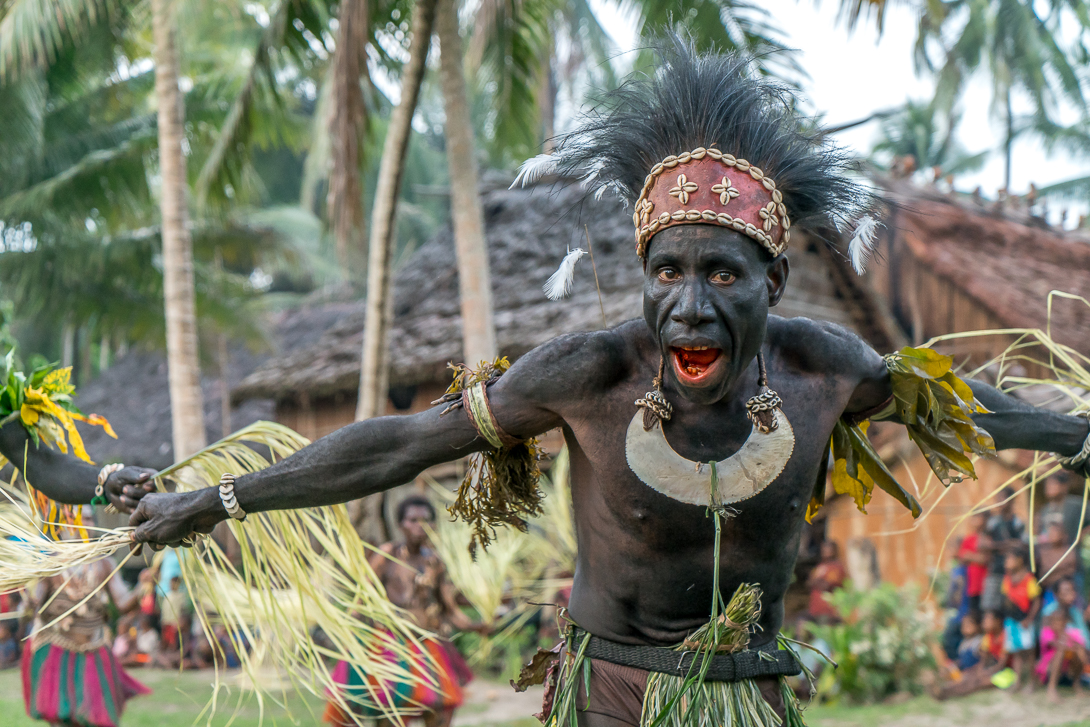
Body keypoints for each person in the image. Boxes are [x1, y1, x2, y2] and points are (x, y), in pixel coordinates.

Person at [129, 40, 1090, 727]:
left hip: (747, 695)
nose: (688, 306)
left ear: (774, 282)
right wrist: (217, 499)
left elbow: (977, 406)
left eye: (721, 273)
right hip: (608, 694)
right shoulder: (588, 371)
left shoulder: (824, 370)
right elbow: (401, 442)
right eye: (666, 271)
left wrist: (1079, 427)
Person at [324, 496, 480, 727]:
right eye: (413, 520)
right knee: (391, 711)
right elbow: (363, 598)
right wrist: (352, 636)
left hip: (426, 644)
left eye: (426, 520)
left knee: (441, 710)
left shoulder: (435, 563)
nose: (420, 526)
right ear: (400, 524)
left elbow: (449, 609)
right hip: (390, 645)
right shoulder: (387, 555)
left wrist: (478, 626)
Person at [23, 554, 151, 726]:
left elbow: (123, 603)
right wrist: (27, 604)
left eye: (88, 523)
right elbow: (32, 607)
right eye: (75, 524)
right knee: (62, 718)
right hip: (57, 650)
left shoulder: (105, 564)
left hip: (94, 649)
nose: (83, 526)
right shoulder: (50, 564)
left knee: (95, 717)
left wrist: (143, 586)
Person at [1001, 547, 1043, 691]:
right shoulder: (1007, 578)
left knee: (1029, 653)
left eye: (1009, 559)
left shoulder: (1028, 579)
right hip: (1012, 620)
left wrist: (1030, 619)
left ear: (1019, 560)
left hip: (1025, 620)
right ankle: (1018, 682)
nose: (1006, 562)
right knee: (1017, 653)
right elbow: (1006, 597)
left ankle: (1031, 682)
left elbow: (1036, 601)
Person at [982, 487, 1026, 613]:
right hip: (995, 570)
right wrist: (1007, 545)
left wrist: (996, 546)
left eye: (1003, 498)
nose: (999, 501)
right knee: (990, 608)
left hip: (1013, 574)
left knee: (1010, 607)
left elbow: (1022, 546)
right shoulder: (993, 522)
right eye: (998, 498)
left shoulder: (1017, 523)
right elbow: (984, 545)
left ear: (1011, 500)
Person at [1037, 607, 1089, 702]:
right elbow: (1054, 643)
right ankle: (1051, 689)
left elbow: (1081, 646)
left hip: (1065, 672)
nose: (1058, 624)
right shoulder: (1047, 632)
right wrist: (1070, 646)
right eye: (1055, 621)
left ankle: (1077, 685)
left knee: (1078, 651)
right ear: (1050, 622)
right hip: (1049, 671)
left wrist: (1076, 647)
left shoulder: (1069, 634)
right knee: (1061, 651)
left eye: (1060, 621)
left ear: (1065, 622)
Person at [957, 513, 991, 613]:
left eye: (979, 517)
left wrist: (970, 557)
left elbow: (986, 559)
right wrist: (979, 558)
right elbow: (962, 557)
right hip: (972, 587)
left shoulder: (989, 539)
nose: (977, 520)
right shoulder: (968, 539)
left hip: (986, 586)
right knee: (974, 614)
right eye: (975, 517)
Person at [806, 541, 846, 623]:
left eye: (828, 549)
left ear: (834, 551)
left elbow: (827, 586)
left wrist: (817, 579)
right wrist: (816, 578)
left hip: (828, 610)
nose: (825, 551)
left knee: (823, 632)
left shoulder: (836, 568)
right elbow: (808, 583)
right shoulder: (820, 566)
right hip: (815, 609)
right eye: (823, 549)